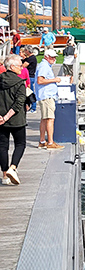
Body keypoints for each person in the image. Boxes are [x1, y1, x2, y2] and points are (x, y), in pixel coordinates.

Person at [0, 55, 27, 185]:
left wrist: (2, 117)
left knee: (2, 146)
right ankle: (13, 167)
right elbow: (19, 103)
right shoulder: (19, 82)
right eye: (20, 66)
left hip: (1, 120)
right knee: (20, 144)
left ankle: (5, 175)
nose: (22, 68)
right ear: (12, 67)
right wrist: (6, 117)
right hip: (16, 120)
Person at [36, 48, 66, 149]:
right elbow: (40, 80)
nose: (54, 59)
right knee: (50, 119)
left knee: (44, 119)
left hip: (45, 95)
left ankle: (42, 141)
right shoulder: (44, 66)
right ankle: (50, 142)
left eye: (55, 57)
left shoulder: (44, 65)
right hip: (46, 96)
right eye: (52, 57)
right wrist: (55, 80)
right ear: (46, 57)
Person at [21, 46, 37, 112]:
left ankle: (34, 107)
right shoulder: (30, 58)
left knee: (30, 93)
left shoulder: (31, 58)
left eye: (25, 51)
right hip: (30, 76)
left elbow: (23, 66)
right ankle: (30, 106)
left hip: (30, 76)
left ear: (28, 51)